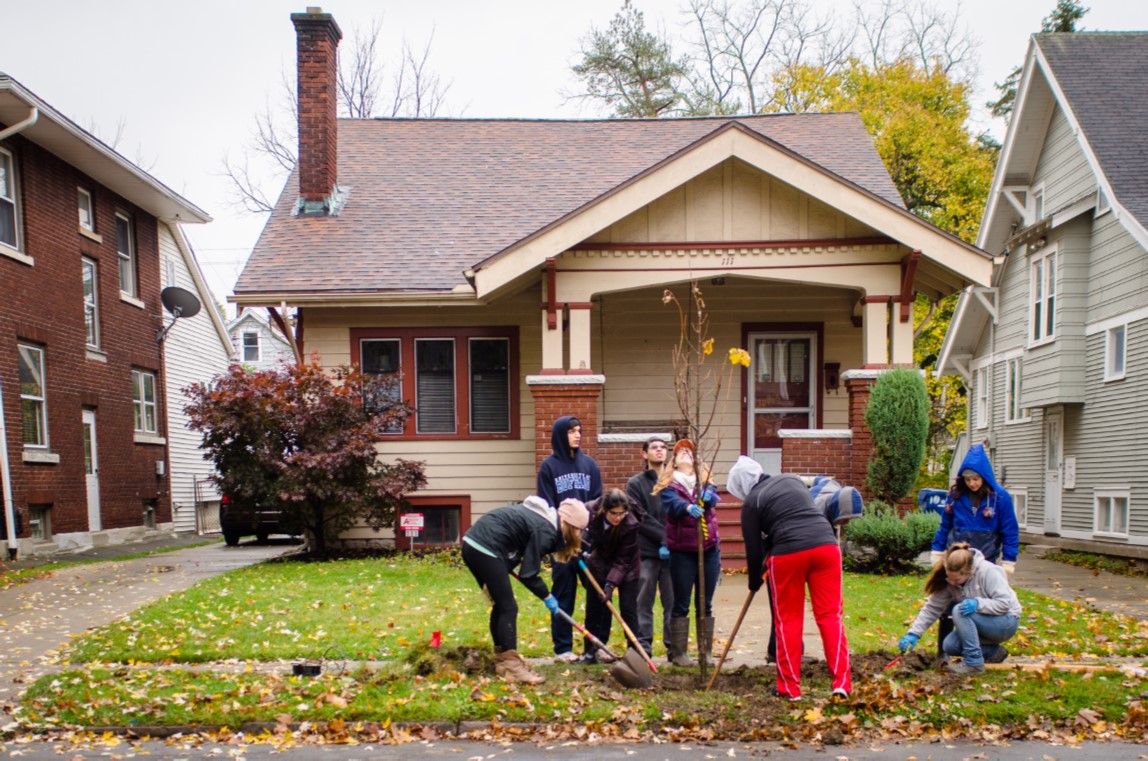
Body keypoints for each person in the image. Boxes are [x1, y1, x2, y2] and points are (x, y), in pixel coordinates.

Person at [727, 455, 851, 701]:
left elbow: (754, 549)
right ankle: (842, 684)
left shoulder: (752, 502)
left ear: (741, 486)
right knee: (830, 616)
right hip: (826, 547)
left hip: (788, 554)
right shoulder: (792, 480)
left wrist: (754, 581)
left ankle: (789, 688)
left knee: (788, 620)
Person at [461, 496, 589, 684]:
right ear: (566, 523)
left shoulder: (543, 522)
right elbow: (528, 574)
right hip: (485, 547)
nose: (579, 535)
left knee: (501, 605)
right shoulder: (546, 529)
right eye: (578, 529)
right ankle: (512, 667)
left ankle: (502, 660)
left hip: (474, 544)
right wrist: (547, 596)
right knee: (508, 607)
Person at [930, 444, 1019, 656]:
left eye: (976, 479)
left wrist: (1009, 560)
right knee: (947, 602)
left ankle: (980, 648)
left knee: (977, 605)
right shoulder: (956, 496)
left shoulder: (1000, 498)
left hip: (985, 558)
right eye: (968, 479)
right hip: (956, 556)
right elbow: (945, 526)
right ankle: (943, 652)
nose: (972, 483)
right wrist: (937, 550)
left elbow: (1010, 531)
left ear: (984, 477)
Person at [898, 542, 1022, 675]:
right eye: (950, 578)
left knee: (959, 610)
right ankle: (994, 652)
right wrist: (914, 633)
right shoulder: (951, 579)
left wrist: (978, 604)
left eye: (956, 580)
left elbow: (1004, 603)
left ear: (970, 571)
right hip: (983, 623)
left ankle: (973, 663)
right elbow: (932, 607)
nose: (952, 583)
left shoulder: (988, 571)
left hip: (1005, 622)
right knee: (950, 645)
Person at [537, 415, 602, 662]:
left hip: (587, 542)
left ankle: (595, 647)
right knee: (563, 594)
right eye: (572, 431)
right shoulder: (548, 467)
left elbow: (597, 502)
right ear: (559, 435)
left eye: (579, 431)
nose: (577, 435)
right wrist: (564, 534)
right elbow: (547, 505)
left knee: (596, 594)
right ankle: (563, 648)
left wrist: (586, 533)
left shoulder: (590, 465)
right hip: (562, 543)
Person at [653, 439, 721, 667]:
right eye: (680, 452)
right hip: (682, 551)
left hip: (708, 550)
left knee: (705, 603)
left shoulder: (706, 483)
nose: (684, 453)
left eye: (689, 452)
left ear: (696, 460)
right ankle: (679, 653)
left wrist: (709, 497)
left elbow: (712, 497)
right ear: (674, 461)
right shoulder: (669, 486)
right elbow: (672, 504)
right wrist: (687, 507)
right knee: (681, 602)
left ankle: (705, 653)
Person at [626, 436, 677, 661]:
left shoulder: (675, 481)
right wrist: (663, 537)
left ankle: (674, 649)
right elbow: (639, 516)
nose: (659, 450)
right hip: (646, 552)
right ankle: (643, 648)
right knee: (643, 601)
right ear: (644, 454)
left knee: (672, 602)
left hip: (673, 552)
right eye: (654, 447)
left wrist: (671, 540)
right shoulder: (635, 483)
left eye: (663, 447)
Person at [580, 488, 642, 663]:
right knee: (594, 608)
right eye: (614, 513)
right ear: (604, 510)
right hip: (598, 563)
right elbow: (581, 534)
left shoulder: (630, 524)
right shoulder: (590, 513)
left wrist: (610, 584)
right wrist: (579, 548)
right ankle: (590, 651)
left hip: (627, 567)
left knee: (628, 609)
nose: (618, 518)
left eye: (622, 513)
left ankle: (634, 653)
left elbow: (623, 560)